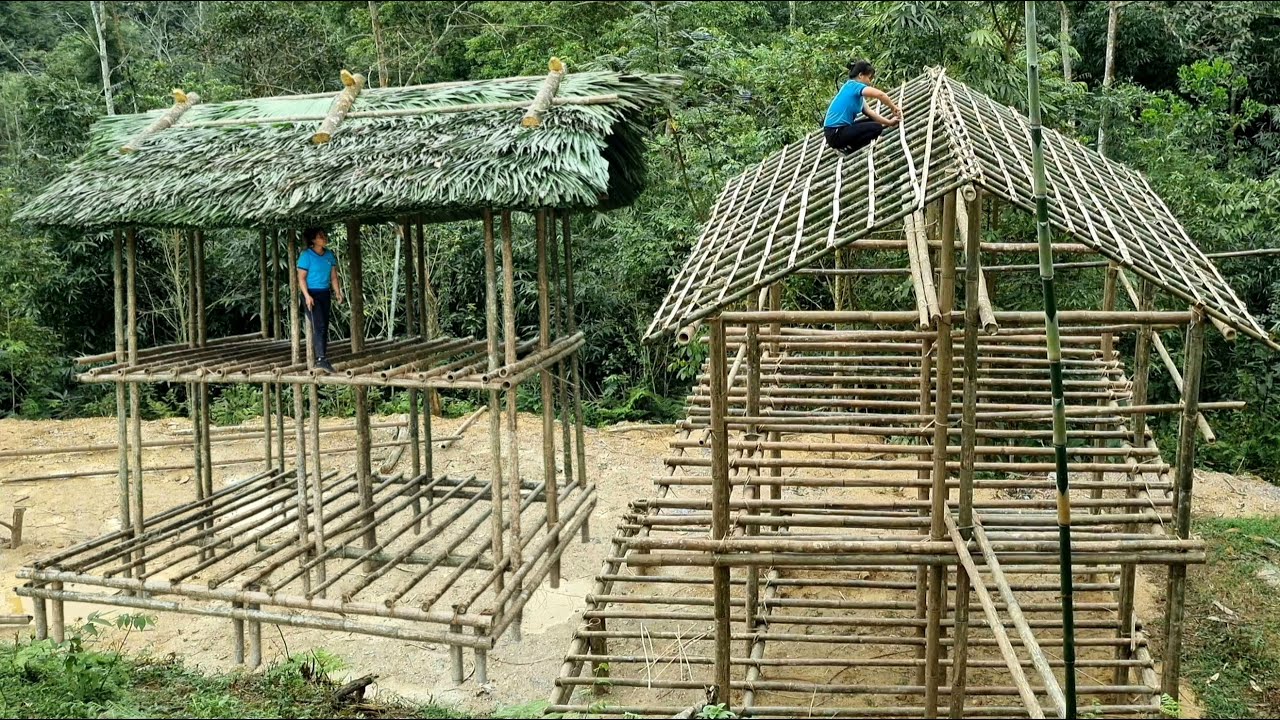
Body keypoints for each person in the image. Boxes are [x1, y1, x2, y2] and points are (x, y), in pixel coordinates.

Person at [823, 60, 903, 155]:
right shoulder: (853, 86)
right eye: (869, 78)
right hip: (835, 133)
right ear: (861, 75)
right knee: (876, 128)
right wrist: (893, 107)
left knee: (875, 123)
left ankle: (848, 145)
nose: (870, 82)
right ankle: (849, 148)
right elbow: (880, 95)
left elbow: (870, 113)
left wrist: (889, 122)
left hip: (841, 130)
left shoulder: (855, 92)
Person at [297, 227, 344, 373]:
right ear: (313, 240)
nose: (324, 238)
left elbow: (334, 276)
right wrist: (307, 296)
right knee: (320, 325)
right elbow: (301, 278)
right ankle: (321, 359)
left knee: (324, 325)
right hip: (311, 294)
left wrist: (338, 292)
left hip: (324, 293)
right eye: (320, 236)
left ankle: (322, 358)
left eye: (324, 235)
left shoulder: (329, 254)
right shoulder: (306, 255)